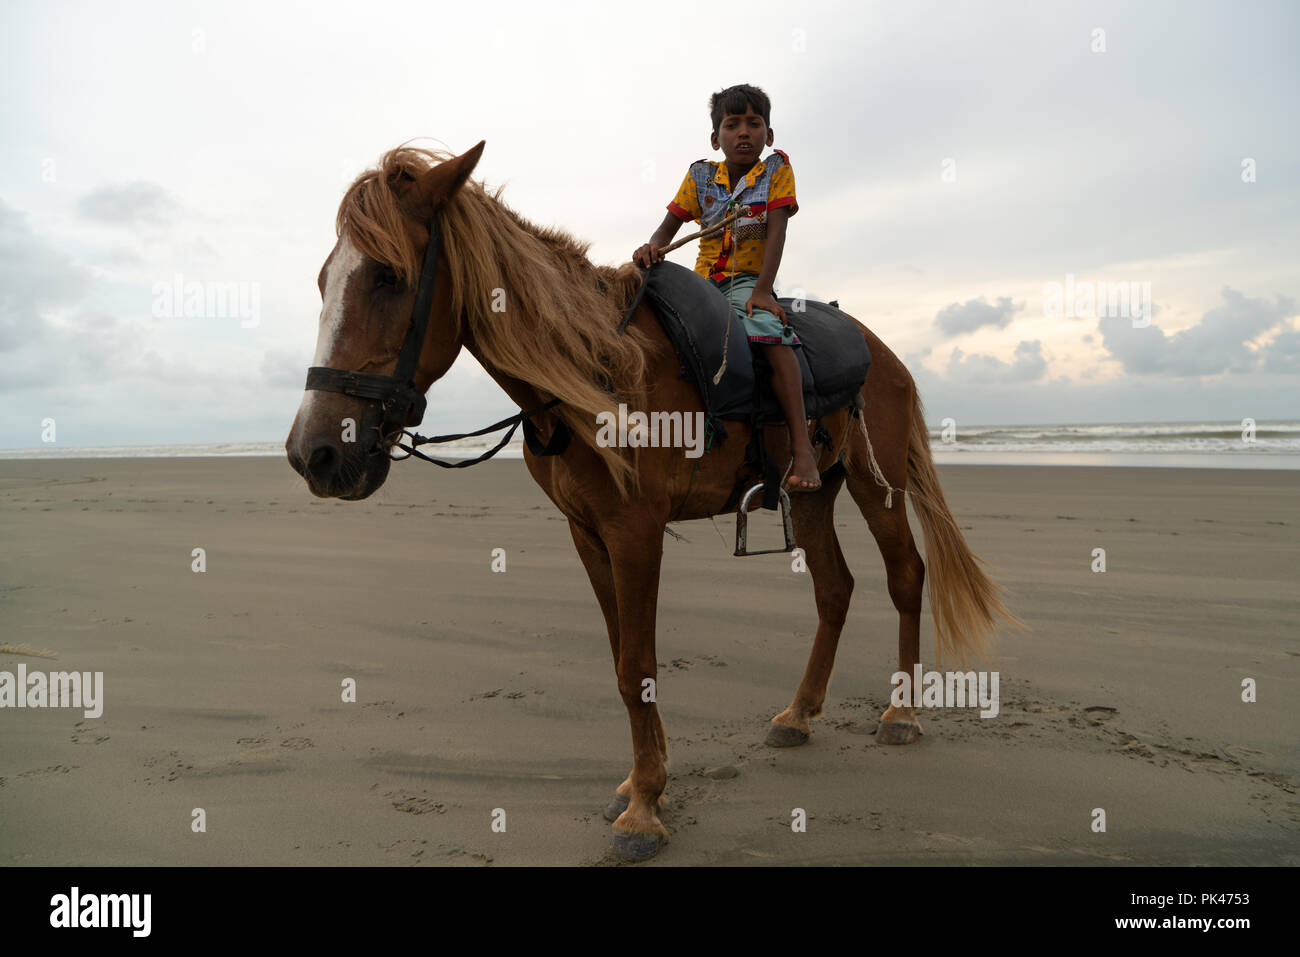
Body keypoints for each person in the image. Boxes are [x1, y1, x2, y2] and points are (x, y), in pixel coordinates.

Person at [633, 83, 820, 492]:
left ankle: (803, 449)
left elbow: (776, 233)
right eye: (732, 124)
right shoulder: (700, 175)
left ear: (768, 135)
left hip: (749, 281)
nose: (744, 133)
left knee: (771, 334)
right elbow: (667, 230)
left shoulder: (776, 170)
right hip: (701, 282)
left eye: (754, 124)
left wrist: (763, 292)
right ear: (716, 138)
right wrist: (651, 249)